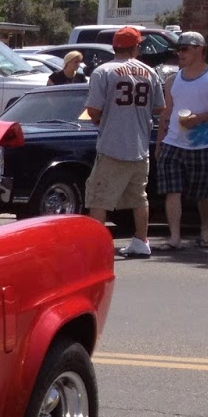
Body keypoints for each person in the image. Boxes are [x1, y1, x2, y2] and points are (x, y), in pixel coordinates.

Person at [83, 26, 164, 259]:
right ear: (135, 47)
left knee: (100, 198)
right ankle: (141, 241)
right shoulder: (150, 72)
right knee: (139, 197)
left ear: (115, 46)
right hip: (140, 145)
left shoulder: (103, 71)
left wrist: (102, 117)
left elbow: (93, 110)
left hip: (112, 145)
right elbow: (159, 107)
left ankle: (96, 246)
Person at [158, 30, 208, 250]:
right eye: (178, 50)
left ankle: (205, 231)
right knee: (172, 190)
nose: (180, 54)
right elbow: (167, 112)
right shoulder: (173, 80)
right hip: (173, 142)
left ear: (200, 50)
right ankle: (174, 237)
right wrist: (161, 142)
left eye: (185, 49)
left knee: (203, 192)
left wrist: (199, 118)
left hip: (202, 144)